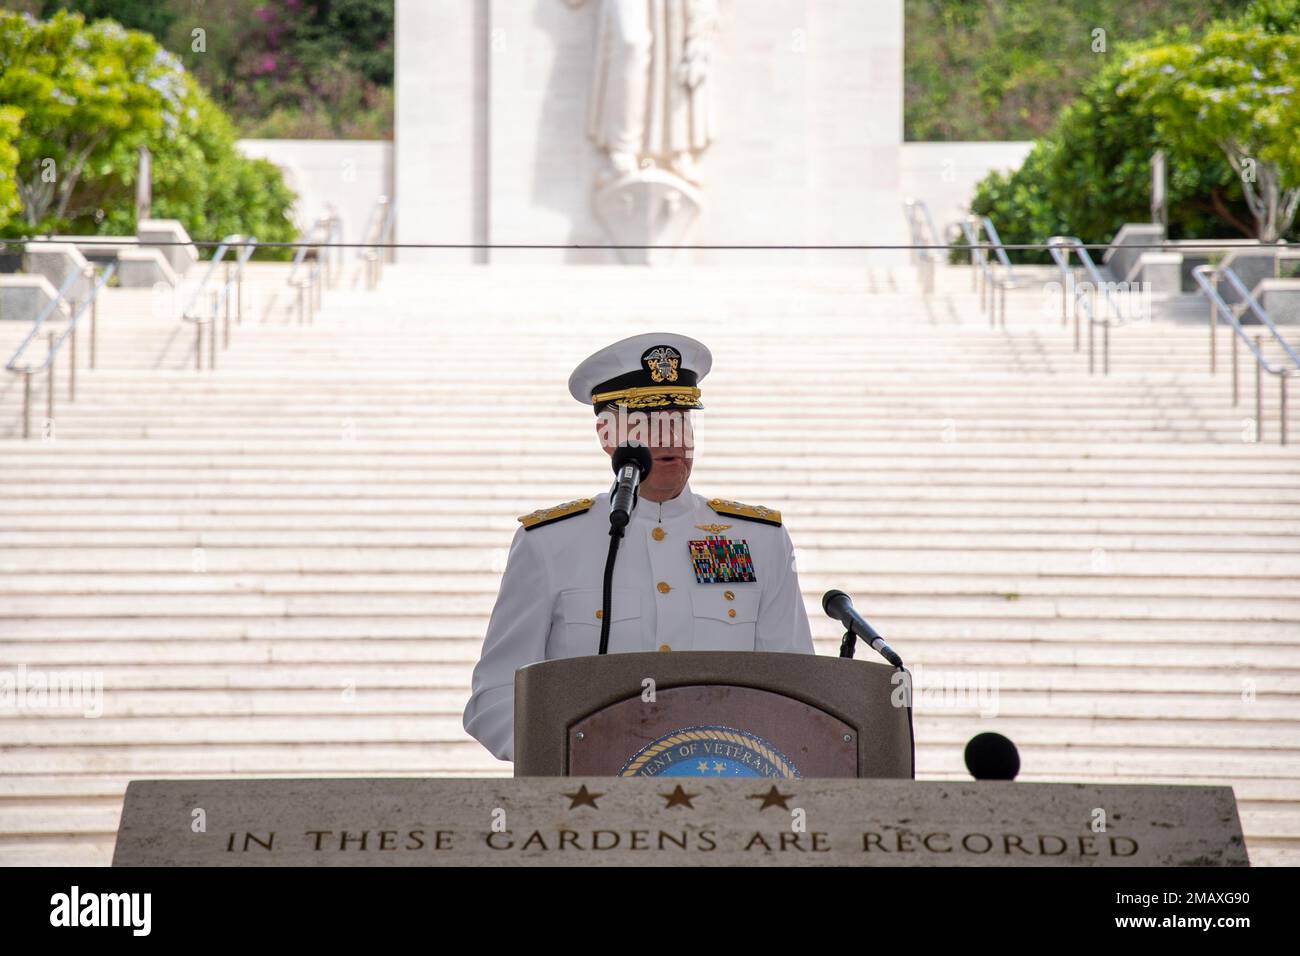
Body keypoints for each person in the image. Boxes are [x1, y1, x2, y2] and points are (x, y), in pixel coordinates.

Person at [461, 332, 814, 761]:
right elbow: (495, 697)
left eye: (679, 420)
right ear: (607, 437)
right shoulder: (549, 544)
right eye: (646, 424)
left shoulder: (758, 540)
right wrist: (579, 755)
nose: (669, 438)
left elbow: (796, 687)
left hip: (727, 785)